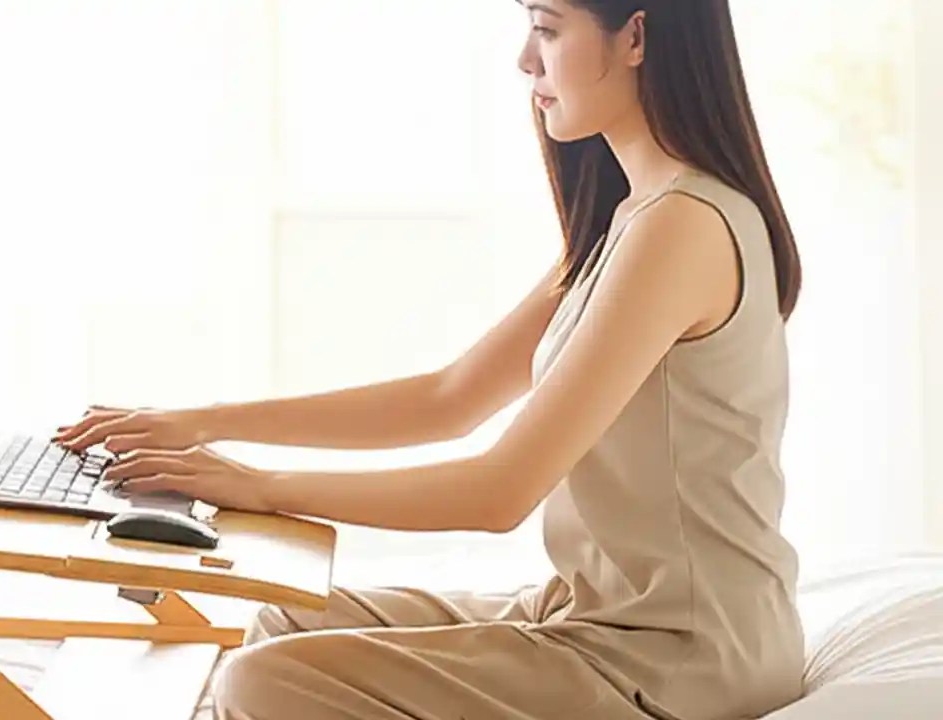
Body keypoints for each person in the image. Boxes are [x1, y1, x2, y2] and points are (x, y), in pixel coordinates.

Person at [54, 0, 805, 717]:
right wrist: (199, 424)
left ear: (635, 37)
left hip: (683, 661)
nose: (523, 60)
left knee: (266, 683)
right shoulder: (632, 220)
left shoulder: (682, 228)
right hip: (596, 614)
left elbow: (499, 492)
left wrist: (260, 487)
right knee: (284, 619)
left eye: (546, 29)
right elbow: (450, 397)